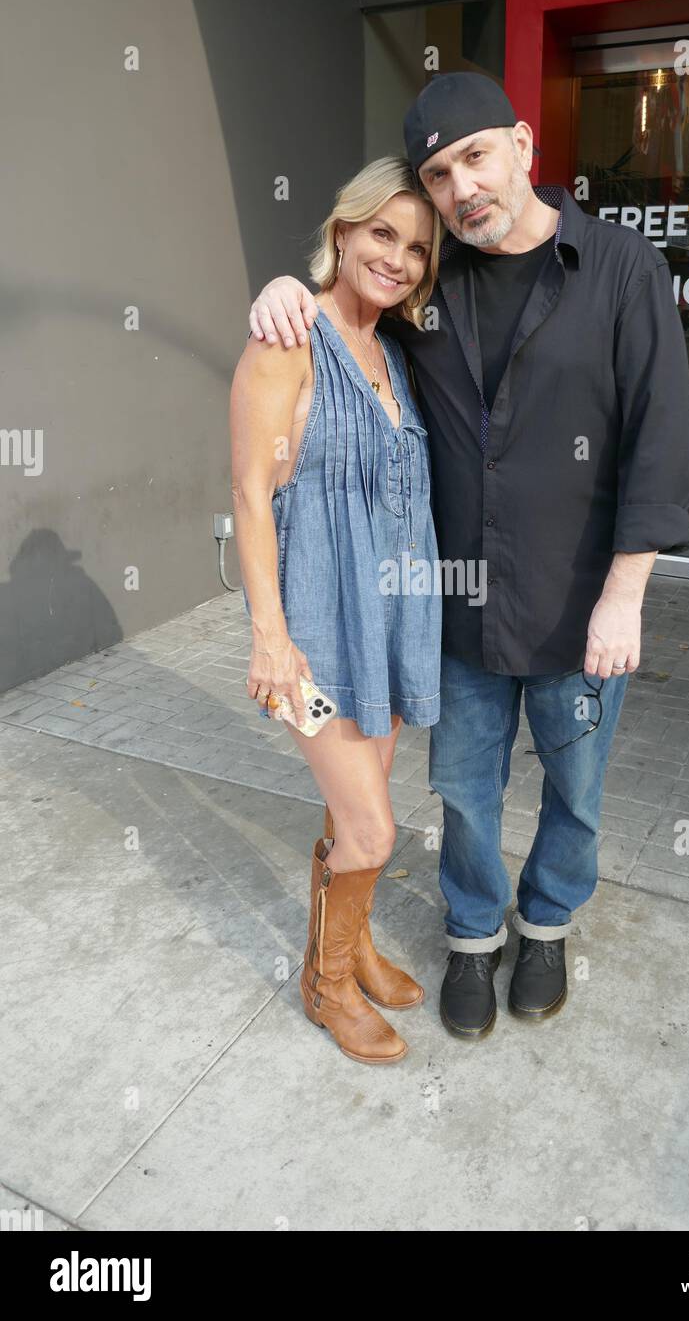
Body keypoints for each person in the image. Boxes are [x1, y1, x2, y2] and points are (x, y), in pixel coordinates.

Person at [247, 72, 689, 1041]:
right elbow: (345, 322)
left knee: (574, 790)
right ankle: (468, 934)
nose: (460, 189)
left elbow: (660, 437)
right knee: (462, 790)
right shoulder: (427, 283)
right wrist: (287, 286)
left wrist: (626, 593)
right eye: (438, 174)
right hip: (455, 609)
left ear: (522, 146)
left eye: (474, 157)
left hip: (583, 609)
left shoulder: (620, 267)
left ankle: (543, 924)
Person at [230, 156, 443, 1065]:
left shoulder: (392, 350)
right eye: (382, 234)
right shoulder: (290, 336)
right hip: (317, 634)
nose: (396, 259)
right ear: (344, 230)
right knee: (371, 828)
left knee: (350, 815)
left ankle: (351, 949)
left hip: (390, 625)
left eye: (417, 249)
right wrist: (271, 639)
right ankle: (326, 988)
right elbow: (249, 494)